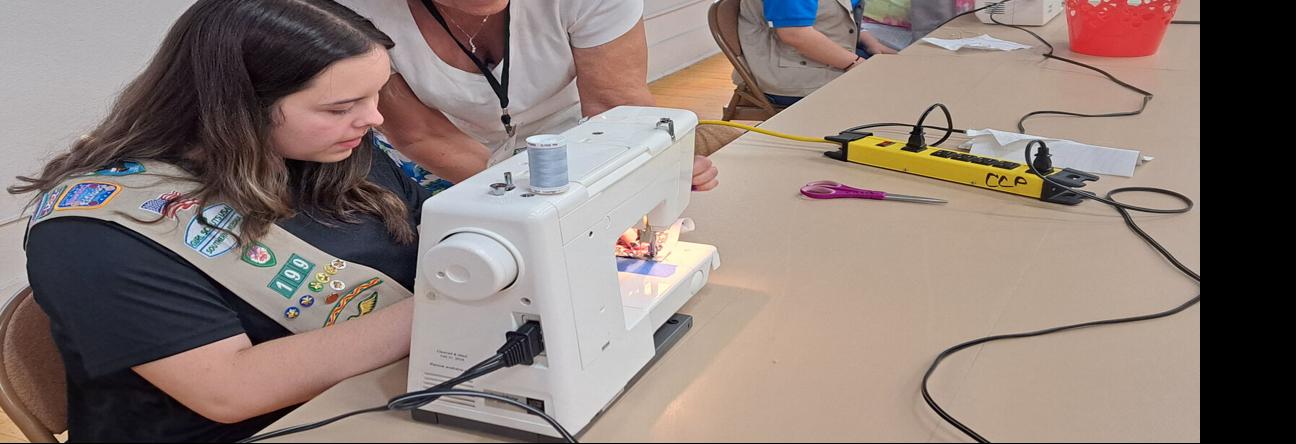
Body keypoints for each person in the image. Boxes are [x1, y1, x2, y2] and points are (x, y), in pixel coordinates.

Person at [10, 0, 426, 442]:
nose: (374, 118)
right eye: (340, 107)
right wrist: (441, 312)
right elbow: (230, 390)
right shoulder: (93, 235)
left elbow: (434, 236)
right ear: (239, 106)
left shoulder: (334, 151)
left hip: (379, 396)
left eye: (376, 93)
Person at [338, 1, 718, 191]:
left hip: (571, 140)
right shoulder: (350, 11)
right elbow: (421, 133)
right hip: (438, 159)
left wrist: (645, 165)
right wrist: (531, 193)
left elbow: (615, 107)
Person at [737, 0, 898, 109]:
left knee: (898, 77)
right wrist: (854, 63)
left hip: (827, 57)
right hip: (793, 75)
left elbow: (833, 17)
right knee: (892, 93)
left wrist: (870, 43)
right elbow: (794, 34)